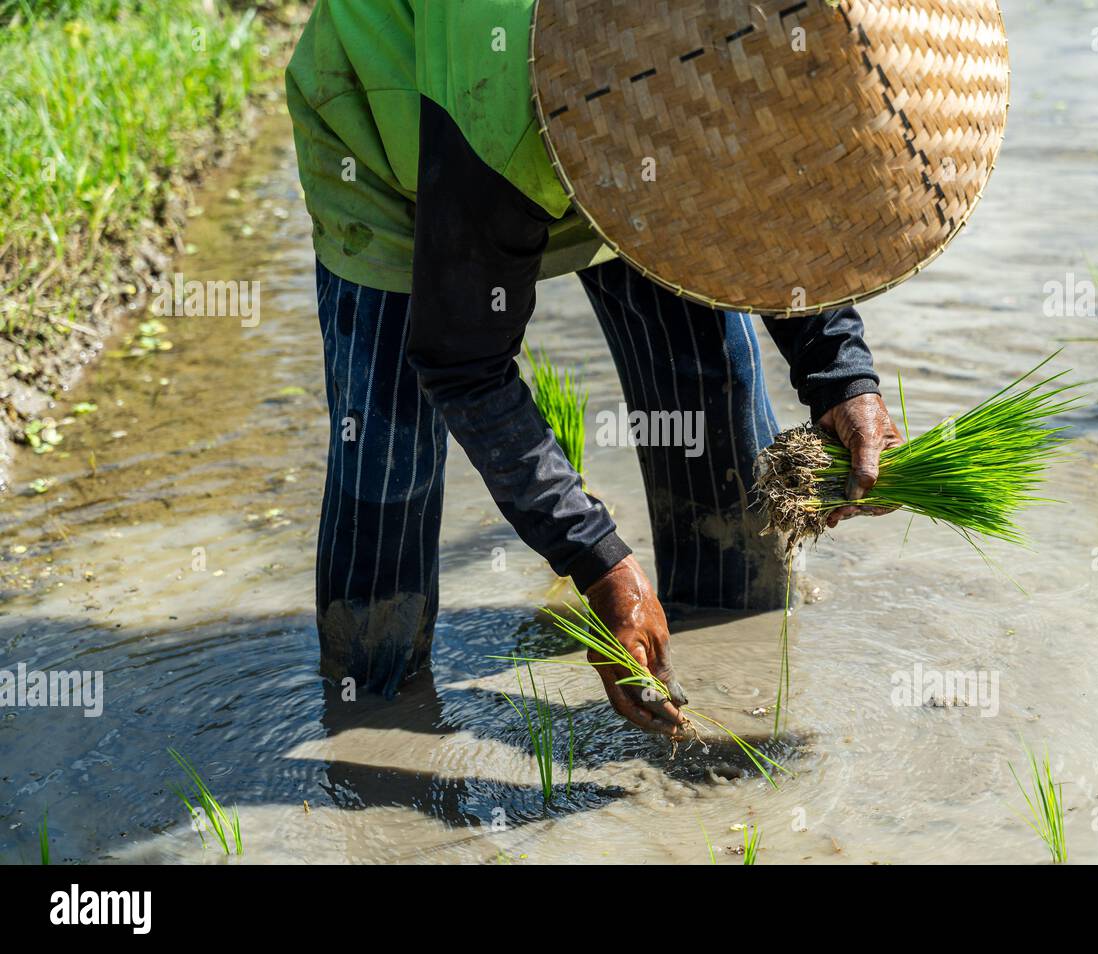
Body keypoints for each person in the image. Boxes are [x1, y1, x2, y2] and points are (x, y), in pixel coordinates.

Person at [286, 0, 902, 732]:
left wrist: (841, 374)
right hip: (395, 138)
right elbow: (461, 361)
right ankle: (374, 739)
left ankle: (723, 695)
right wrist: (598, 561)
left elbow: (769, 212)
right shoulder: (507, 102)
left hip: (639, 137)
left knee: (717, 430)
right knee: (385, 462)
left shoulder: (732, 62)